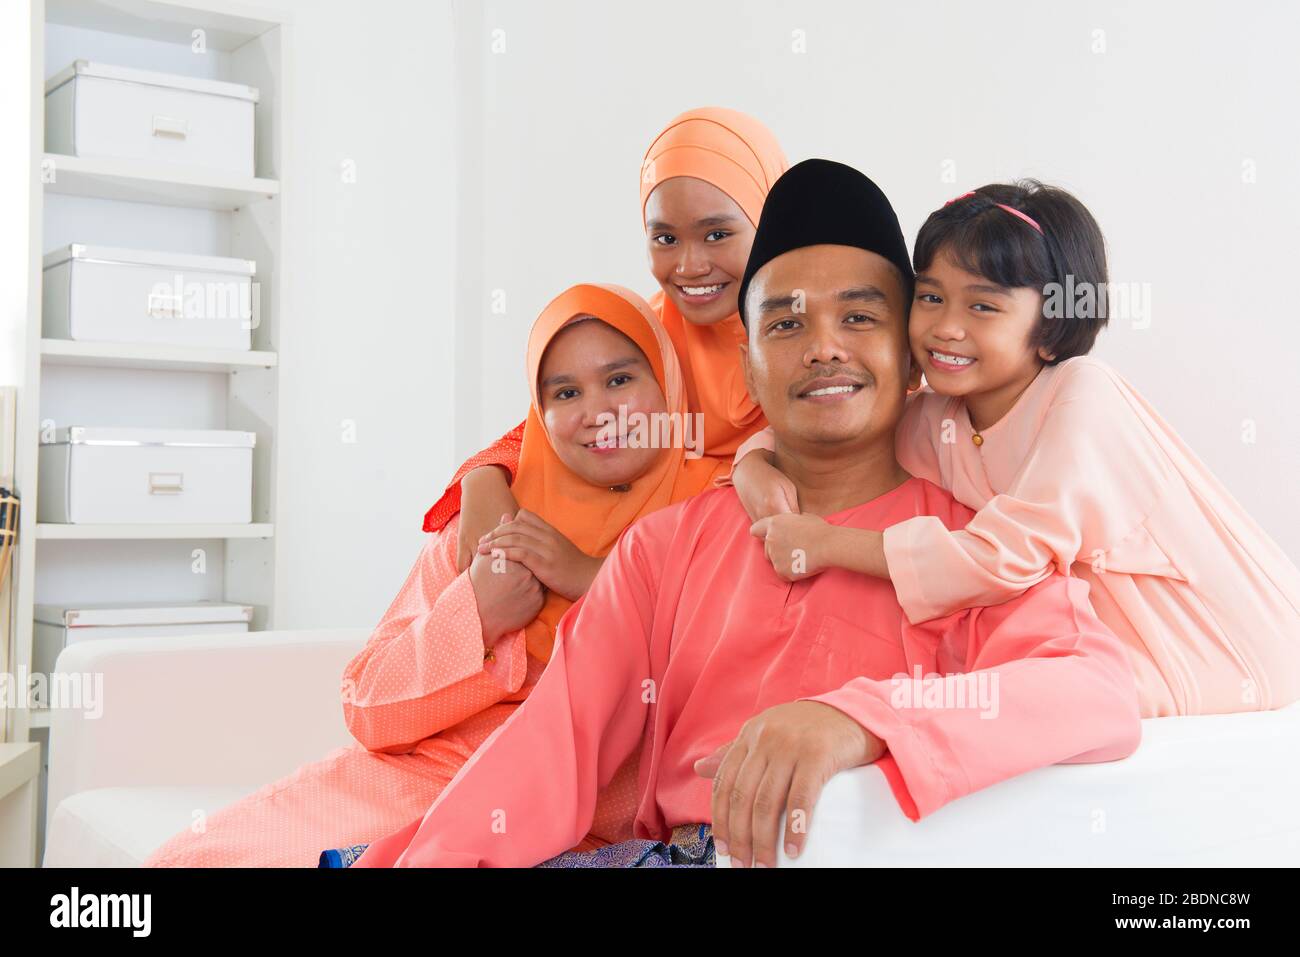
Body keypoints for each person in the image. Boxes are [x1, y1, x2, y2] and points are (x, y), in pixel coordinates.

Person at [348, 160, 1141, 870]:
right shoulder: (666, 546)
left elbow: (1095, 690)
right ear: (750, 374)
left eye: (859, 317)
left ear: (911, 360)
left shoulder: (964, 541)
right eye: (787, 324)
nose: (824, 347)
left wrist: (855, 720)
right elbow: (555, 744)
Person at [145, 283, 724, 867]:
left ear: (668, 384)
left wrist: (592, 581)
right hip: (405, 786)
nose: (597, 410)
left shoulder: (712, 521)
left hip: (549, 821)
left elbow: (709, 678)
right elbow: (367, 707)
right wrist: (475, 614)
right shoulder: (493, 524)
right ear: (538, 414)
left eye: (621, 379)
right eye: (566, 391)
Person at [733, 180, 1300, 718]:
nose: (945, 328)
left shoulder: (1083, 396)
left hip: (1218, 642)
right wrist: (753, 465)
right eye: (931, 297)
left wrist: (827, 543)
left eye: (982, 307)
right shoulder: (939, 418)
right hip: (1100, 635)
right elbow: (841, 425)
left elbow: (1002, 559)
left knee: (996, 709)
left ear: (1052, 322)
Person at [430, 107, 788, 571]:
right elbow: (547, 426)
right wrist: (482, 477)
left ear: (770, 223)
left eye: (717, 234)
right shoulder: (647, 333)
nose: (689, 266)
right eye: (664, 239)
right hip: (638, 565)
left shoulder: (808, 337)